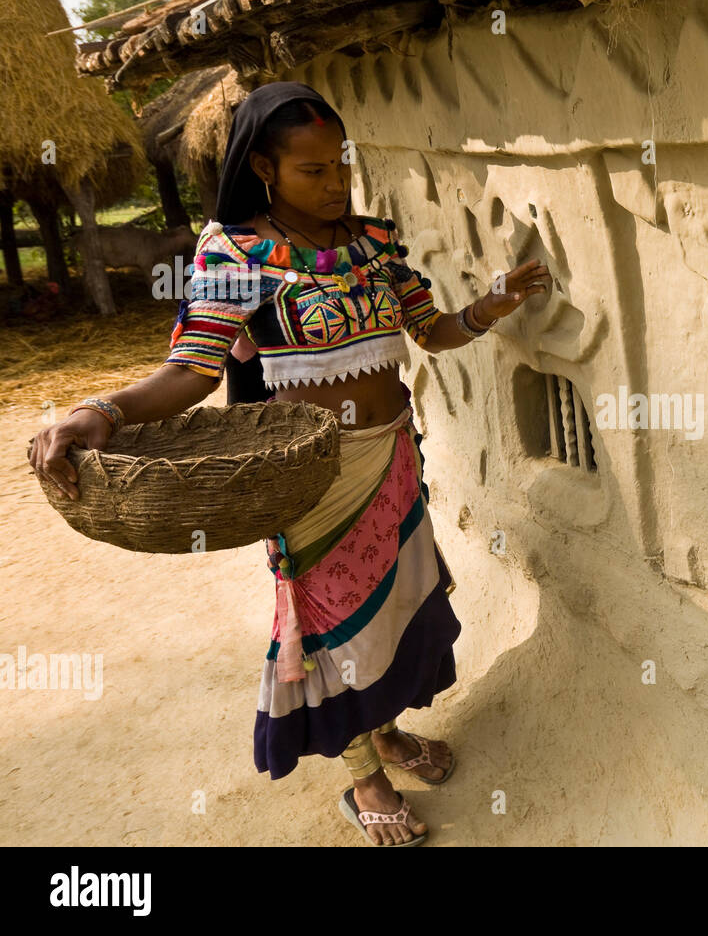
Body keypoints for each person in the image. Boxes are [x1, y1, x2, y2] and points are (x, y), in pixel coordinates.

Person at [27, 81, 552, 846]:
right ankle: (365, 777)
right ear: (265, 169)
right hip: (313, 477)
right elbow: (192, 371)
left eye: (340, 163)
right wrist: (98, 410)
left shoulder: (373, 243)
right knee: (333, 625)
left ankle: (389, 732)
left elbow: (431, 332)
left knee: (398, 604)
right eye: (314, 170)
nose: (337, 182)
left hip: (393, 460)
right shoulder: (237, 253)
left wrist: (489, 305)